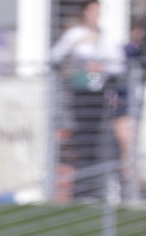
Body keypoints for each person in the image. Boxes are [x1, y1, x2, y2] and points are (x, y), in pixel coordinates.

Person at [51, 0, 126, 197]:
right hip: (81, 94)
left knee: (100, 141)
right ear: (84, 12)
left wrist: (102, 67)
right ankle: (81, 189)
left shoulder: (106, 36)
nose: (96, 14)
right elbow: (55, 57)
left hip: (100, 94)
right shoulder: (75, 35)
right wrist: (77, 45)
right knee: (83, 140)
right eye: (92, 10)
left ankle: (96, 189)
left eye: (98, 11)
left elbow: (119, 65)